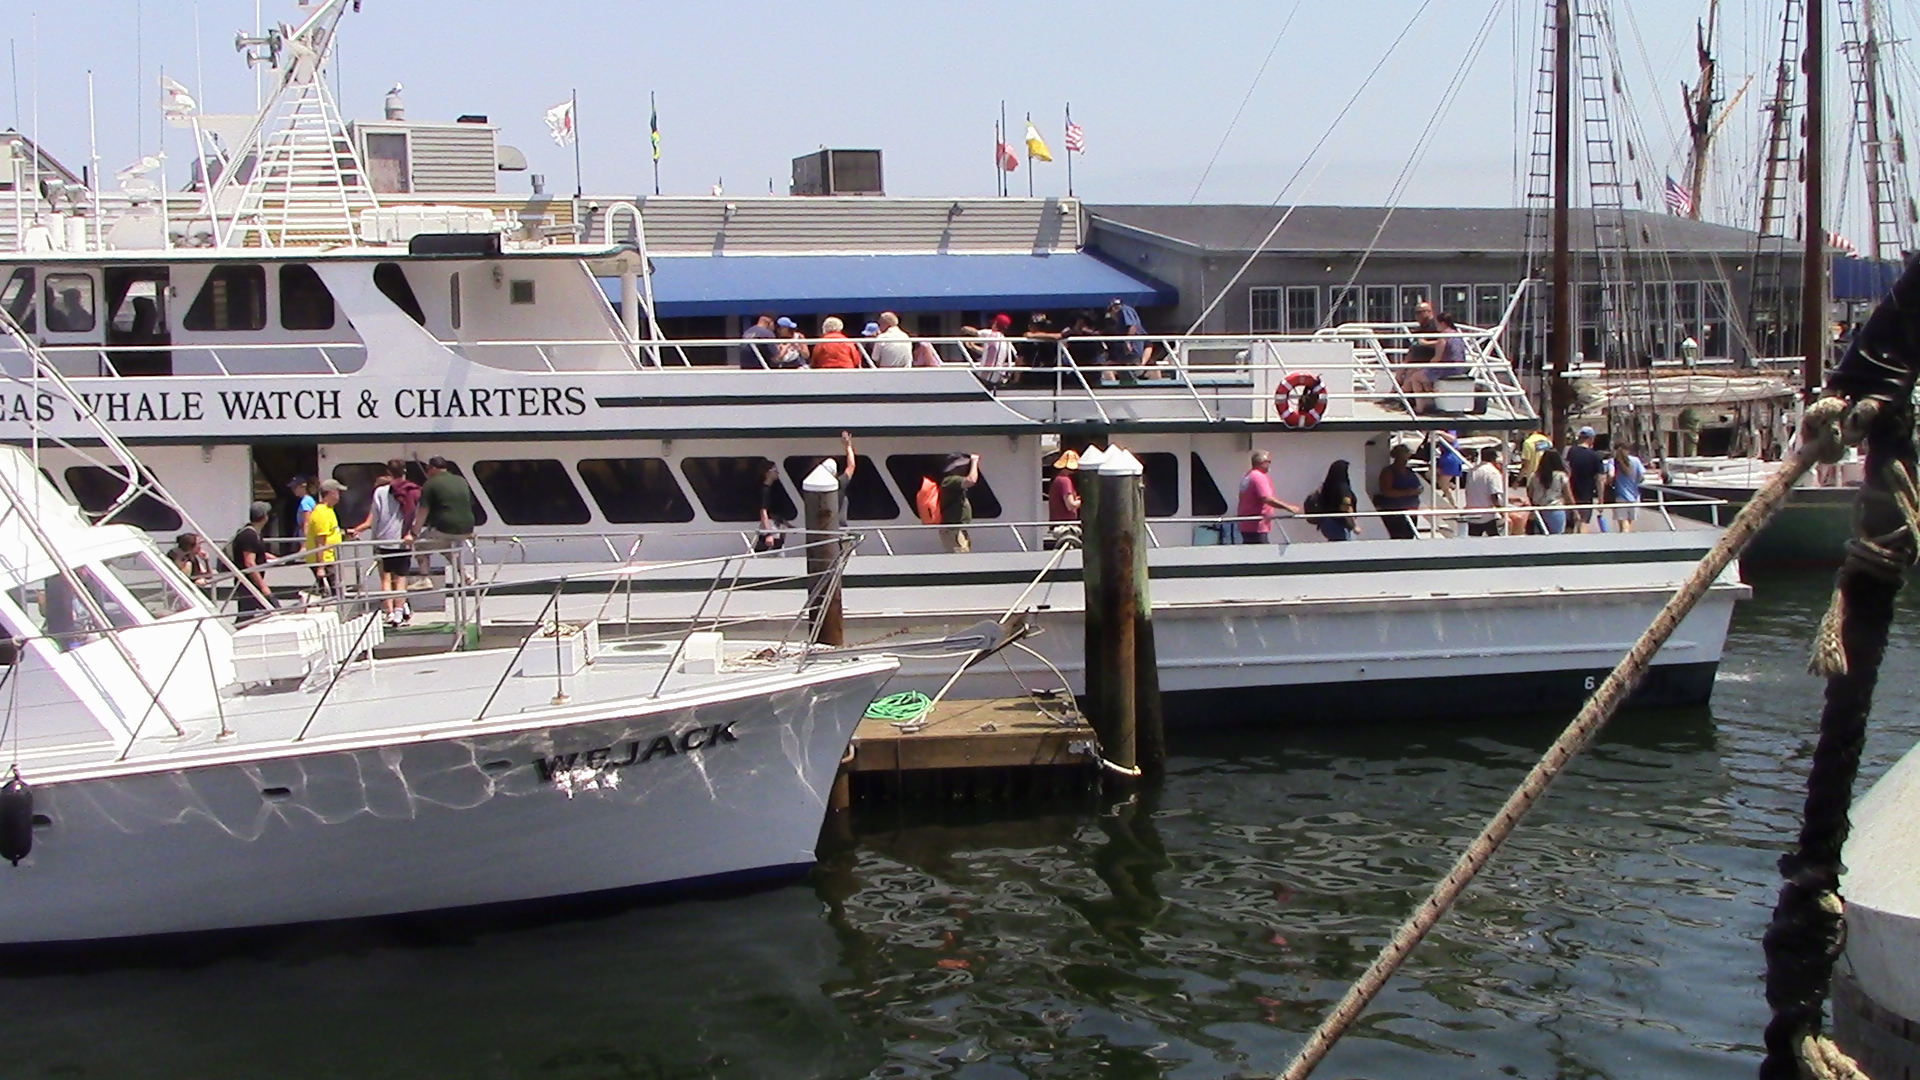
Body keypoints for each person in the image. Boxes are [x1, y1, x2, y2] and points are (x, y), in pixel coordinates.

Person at [415, 456, 478, 584]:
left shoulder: (431, 484)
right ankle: (466, 576)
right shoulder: (461, 481)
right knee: (447, 547)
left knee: (420, 545)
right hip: (467, 528)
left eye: (427, 469)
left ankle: (424, 578)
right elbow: (468, 504)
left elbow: (423, 510)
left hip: (445, 527)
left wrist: (414, 532)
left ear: (432, 468)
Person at [366, 465, 413, 626]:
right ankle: (400, 612)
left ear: (388, 473)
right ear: (404, 472)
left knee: (385, 579)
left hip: (383, 540)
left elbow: (376, 518)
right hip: (402, 540)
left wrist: (374, 540)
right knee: (400, 578)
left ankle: (390, 613)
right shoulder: (410, 491)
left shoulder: (379, 492)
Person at [1235, 450, 1301, 544]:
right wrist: (1289, 508)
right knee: (1262, 555)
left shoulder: (1248, 475)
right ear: (1262, 463)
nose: (1270, 464)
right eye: (1268, 461)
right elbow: (1267, 498)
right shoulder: (1258, 476)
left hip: (1247, 525)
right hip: (1257, 526)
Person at [230, 501, 275, 623]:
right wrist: (263, 586)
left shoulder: (254, 533)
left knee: (246, 616)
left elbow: (256, 552)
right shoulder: (249, 535)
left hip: (250, 583)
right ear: (264, 517)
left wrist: (272, 558)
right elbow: (249, 562)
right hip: (249, 584)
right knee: (274, 611)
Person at [305, 478, 349, 595]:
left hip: (329, 558)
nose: (339, 495)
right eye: (338, 492)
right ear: (332, 493)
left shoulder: (329, 510)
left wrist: (344, 534)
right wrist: (321, 566)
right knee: (333, 591)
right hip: (324, 560)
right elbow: (320, 540)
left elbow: (330, 532)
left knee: (334, 590)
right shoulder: (322, 512)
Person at [1374, 444, 1423, 540]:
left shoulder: (1409, 471)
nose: (1405, 460)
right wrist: (1409, 492)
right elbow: (1386, 491)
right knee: (1398, 538)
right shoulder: (1388, 471)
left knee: (1410, 537)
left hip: (1411, 511)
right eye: (1403, 457)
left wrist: (1418, 491)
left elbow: (1418, 486)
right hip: (1395, 513)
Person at [1398, 300, 1440, 411]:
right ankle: (1397, 398)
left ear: (1428, 312)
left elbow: (1444, 342)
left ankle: (1404, 402)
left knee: (1412, 375)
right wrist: (1404, 363)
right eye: (1416, 312)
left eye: (1419, 312)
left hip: (1429, 361)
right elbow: (1413, 347)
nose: (1417, 315)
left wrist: (1426, 343)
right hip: (1417, 361)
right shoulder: (1420, 328)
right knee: (1400, 372)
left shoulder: (1435, 327)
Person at [1304, 460, 1360, 541]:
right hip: (1339, 524)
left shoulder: (1327, 485)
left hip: (1326, 524)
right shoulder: (1343, 487)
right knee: (1346, 550)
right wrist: (1354, 526)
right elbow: (1346, 506)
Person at [939, 452, 980, 553]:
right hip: (953, 530)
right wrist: (974, 462)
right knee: (961, 559)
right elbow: (971, 480)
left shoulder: (955, 481)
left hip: (958, 529)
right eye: (962, 466)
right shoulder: (950, 480)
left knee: (964, 555)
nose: (965, 468)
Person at [1462, 446, 1507, 537]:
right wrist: (1503, 513)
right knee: (1497, 542)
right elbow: (1494, 496)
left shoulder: (1472, 471)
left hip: (1473, 514)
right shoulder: (1493, 472)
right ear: (1494, 459)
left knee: (1474, 543)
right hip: (1488, 516)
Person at [1566, 426, 1605, 532]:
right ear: (1591, 439)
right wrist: (1601, 499)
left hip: (1570, 494)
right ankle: (1582, 546)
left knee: (1569, 525)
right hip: (1586, 495)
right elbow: (1600, 479)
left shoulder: (1571, 452)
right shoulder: (1595, 456)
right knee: (1583, 522)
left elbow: (1567, 472)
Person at [1528, 449, 1573, 535]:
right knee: (1557, 537)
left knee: (1540, 537)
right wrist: (1575, 512)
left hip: (1539, 510)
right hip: (1555, 509)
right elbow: (1568, 496)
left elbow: (1530, 493)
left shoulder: (1535, 476)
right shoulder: (1560, 476)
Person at [963, 314, 1015, 386]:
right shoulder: (1005, 342)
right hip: (996, 378)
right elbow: (989, 352)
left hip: (984, 376)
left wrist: (963, 329)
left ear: (996, 324)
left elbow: (973, 331)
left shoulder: (990, 334)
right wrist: (973, 347)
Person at [1603, 443, 1646, 532]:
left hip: (1620, 496)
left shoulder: (1613, 462)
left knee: (1623, 524)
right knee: (1628, 522)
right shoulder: (1635, 461)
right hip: (1634, 496)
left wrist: (1607, 483)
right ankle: (1627, 541)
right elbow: (1641, 477)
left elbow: (1611, 475)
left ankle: (1624, 541)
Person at [1046, 449, 1083, 549]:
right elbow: (1070, 505)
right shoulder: (1065, 481)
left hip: (1060, 526)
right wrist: (1084, 501)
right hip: (1066, 529)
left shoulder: (1058, 479)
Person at [1103, 298, 1146, 382]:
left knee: (1130, 371)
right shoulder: (1124, 313)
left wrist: (1127, 341)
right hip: (1124, 354)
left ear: (1114, 309)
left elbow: (1132, 326)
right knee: (1125, 373)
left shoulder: (1124, 310)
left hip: (1130, 350)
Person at [755, 459, 789, 552]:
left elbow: (773, 512)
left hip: (776, 526)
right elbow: (763, 512)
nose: (777, 472)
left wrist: (787, 525)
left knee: (778, 551)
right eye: (775, 470)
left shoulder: (772, 490)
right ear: (767, 473)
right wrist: (768, 534)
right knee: (770, 552)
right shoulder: (764, 491)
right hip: (771, 527)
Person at [1431, 311, 1470, 380]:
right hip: (1460, 368)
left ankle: (1427, 390)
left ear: (1442, 323)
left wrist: (1426, 365)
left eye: (1436, 323)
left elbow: (1437, 358)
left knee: (1416, 377)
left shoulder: (1443, 336)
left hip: (1448, 369)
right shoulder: (1457, 334)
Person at [291, 476, 316, 541]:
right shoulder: (309, 499)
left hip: (306, 537)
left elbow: (307, 522)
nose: (293, 490)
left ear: (303, 486)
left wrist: (306, 539)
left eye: (295, 487)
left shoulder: (305, 502)